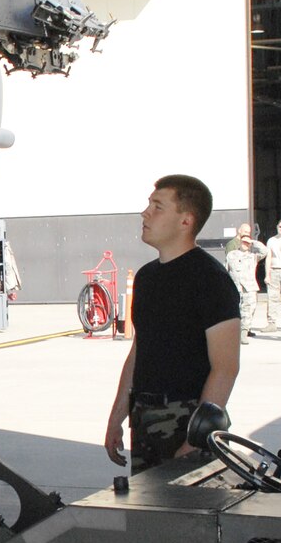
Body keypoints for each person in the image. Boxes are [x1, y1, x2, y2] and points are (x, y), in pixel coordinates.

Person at [102, 176, 241, 473]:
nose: (145, 213)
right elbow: (140, 351)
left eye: (158, 206)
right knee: (148, 513)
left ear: (185, 221)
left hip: (186, 418)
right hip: (145, 417)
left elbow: (226, 366)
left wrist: (197, 436)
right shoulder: (146, 277)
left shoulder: (210, 280)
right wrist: (117, 417)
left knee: (186, 516)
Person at [224, 224, 261, 343]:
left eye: (248, 232)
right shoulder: (232, 252)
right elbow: (227, 267)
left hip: (249, 286)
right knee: (236, 309)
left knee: (249, 309)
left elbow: (264, 251)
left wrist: (252, 242)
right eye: (244, 232)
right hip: (237, 285)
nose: (246, 234)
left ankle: (244, 331)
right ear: (239, 231)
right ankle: (237, 331)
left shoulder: (252, 256)